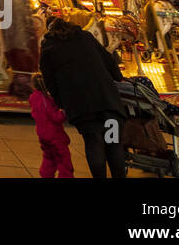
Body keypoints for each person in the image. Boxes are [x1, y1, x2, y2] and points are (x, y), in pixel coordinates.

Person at [39, 16, 127, 178]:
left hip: (82, 108)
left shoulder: (48, 49)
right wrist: (117, 77)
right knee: (113, 143)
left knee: (93, 142)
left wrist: (61, 103)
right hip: (107, 102)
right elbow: (108, 60)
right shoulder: (85, 37)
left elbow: (50, 82)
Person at [29, 73, 74, 178]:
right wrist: (63, 112)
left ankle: (46, 174)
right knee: (63, 158)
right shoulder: (47, 100)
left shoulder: (33, 97)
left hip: (42, 135)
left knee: (48, 157)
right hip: (54, 136)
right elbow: (56, 117)